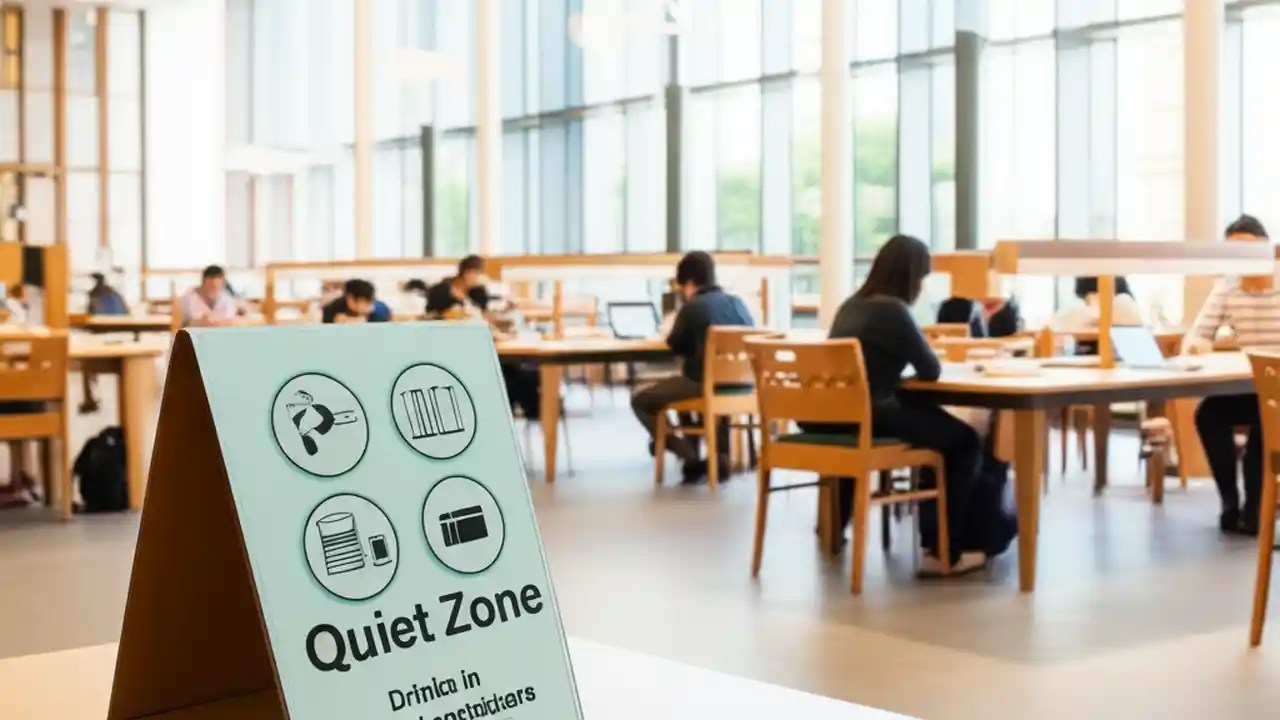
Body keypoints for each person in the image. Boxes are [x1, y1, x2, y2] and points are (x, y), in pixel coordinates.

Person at [822, 235, 990, 575]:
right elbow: (930, 369)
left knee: (937, 431)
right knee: (964, 441)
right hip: (871, 416)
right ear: (912, 277)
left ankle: (834, 530)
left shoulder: (850, 306)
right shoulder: (894, 312)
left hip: (830, 417)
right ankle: (942, 552)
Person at [1183, 214, 1280, 536]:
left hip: (1277, 390)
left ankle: (1256, 510)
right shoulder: (1228, 289)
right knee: (1208, 415)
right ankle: (1229, 499)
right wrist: (1198, 346)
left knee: (1266, 429)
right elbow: (1197, 335)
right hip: (1244, 386)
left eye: (1250, 251)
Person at [631, 251, 754, 484]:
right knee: (684, 386)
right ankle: (720, 456)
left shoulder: (693, 307)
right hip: (742, 386)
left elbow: (675, 345)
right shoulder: (739, 304)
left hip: (703, 385)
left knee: (641, 400)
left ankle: (689, 457)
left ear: (688, 284)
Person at [428, 256, 539, 421]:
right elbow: (447, 318)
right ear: (467, 273)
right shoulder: (442, 292)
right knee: (513, 369)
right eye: (478, 273)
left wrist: (503, 320)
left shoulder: (477, 292)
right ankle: (513, 408)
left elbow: (485, 317)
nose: (480, 278)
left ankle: (524, 407)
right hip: (456, 345)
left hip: (482, 340)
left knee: (521, 367)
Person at [426, 255, 491, 318]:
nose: (477, 277)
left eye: (479, 273)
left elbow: (485, 314)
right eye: (477, 272)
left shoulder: (478, 292)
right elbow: (430, 314)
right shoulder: (440, 290)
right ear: (465, 272)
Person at [321, 279, 390, 324]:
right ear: (350, 300)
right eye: (365, 301)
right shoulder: (331, 310)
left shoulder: (379, 309)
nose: (368, 305)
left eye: (370, 301)